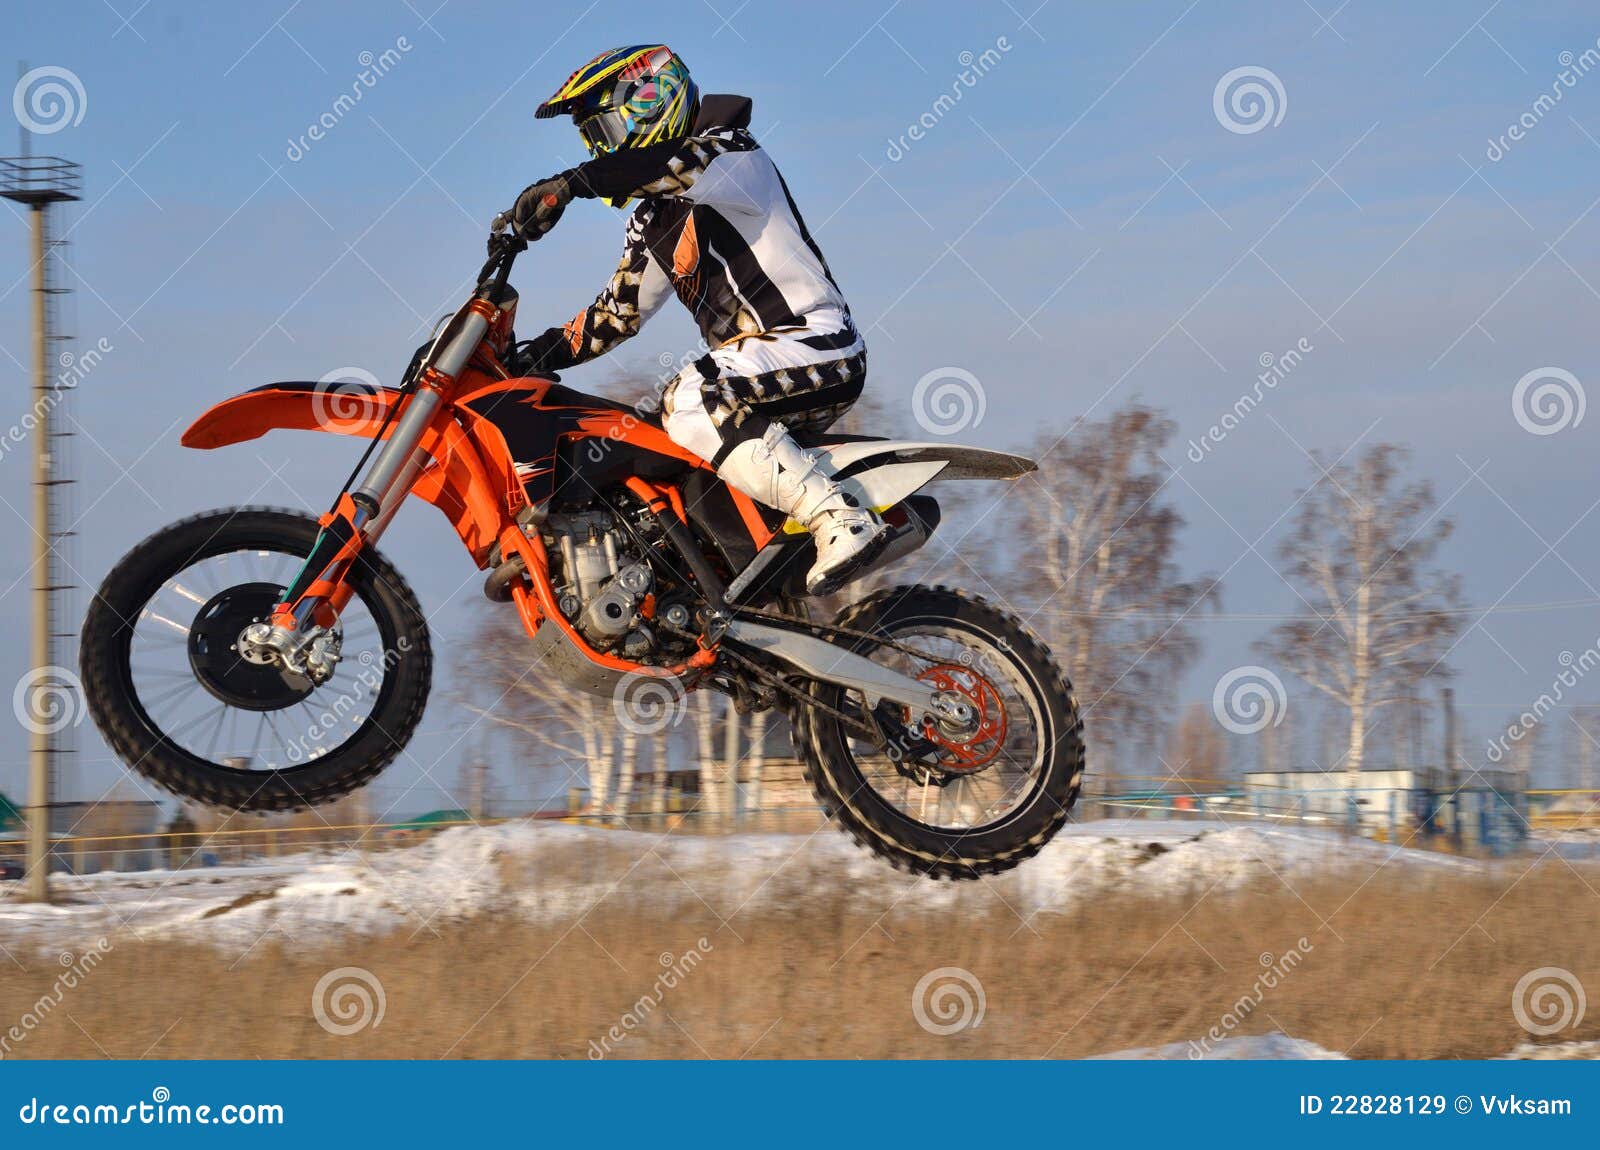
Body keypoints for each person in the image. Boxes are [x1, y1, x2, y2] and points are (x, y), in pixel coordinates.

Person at [506, 44, 886, 595]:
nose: (601, 146)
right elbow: (615, 315)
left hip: (816, 346)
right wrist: (525, 356)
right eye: (593, 138)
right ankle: (740, 620)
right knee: (674, 463)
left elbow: (667, 165)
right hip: (758, 375)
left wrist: (571, 184)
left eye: (606, 126)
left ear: (651, 97)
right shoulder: (655, 219)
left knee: (689, 396)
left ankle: (841, 517)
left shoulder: (730, 155)